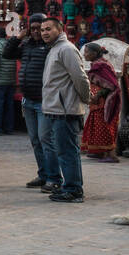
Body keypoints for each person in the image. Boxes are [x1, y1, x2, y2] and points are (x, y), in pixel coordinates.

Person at [40, 17, 91, 203]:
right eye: (42, 30)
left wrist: (85, 100)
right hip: (56, 108)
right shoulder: (55, 49)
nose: (44, 32)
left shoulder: (67, 49)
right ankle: (70, 186)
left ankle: (74, 190)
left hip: (66, 110)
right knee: (63, 150)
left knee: (68, 151)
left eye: (48, 29)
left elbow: (80, 78)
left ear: (59, 30)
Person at [4, 13, 56, 191]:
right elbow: (7, 53)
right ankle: (43, 175)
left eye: (39, 29)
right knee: (35, 140)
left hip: (44, 102)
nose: (35, 32)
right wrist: (18, 37)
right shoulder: (26, 45)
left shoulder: (50, 47)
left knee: (45, 140)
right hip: (28, 101)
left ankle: (53, 178)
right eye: (32, 28)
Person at [82, 43, 122, 162]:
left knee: (105, 126)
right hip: (97, 102)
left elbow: (112, 85)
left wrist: (98, 95)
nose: (84, 54)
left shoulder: (101, 66)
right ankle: (99, 152)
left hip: (104, 103)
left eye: (87, 52)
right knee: (96, 126)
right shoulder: (98, 64)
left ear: (94, 53)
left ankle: (111, 155)